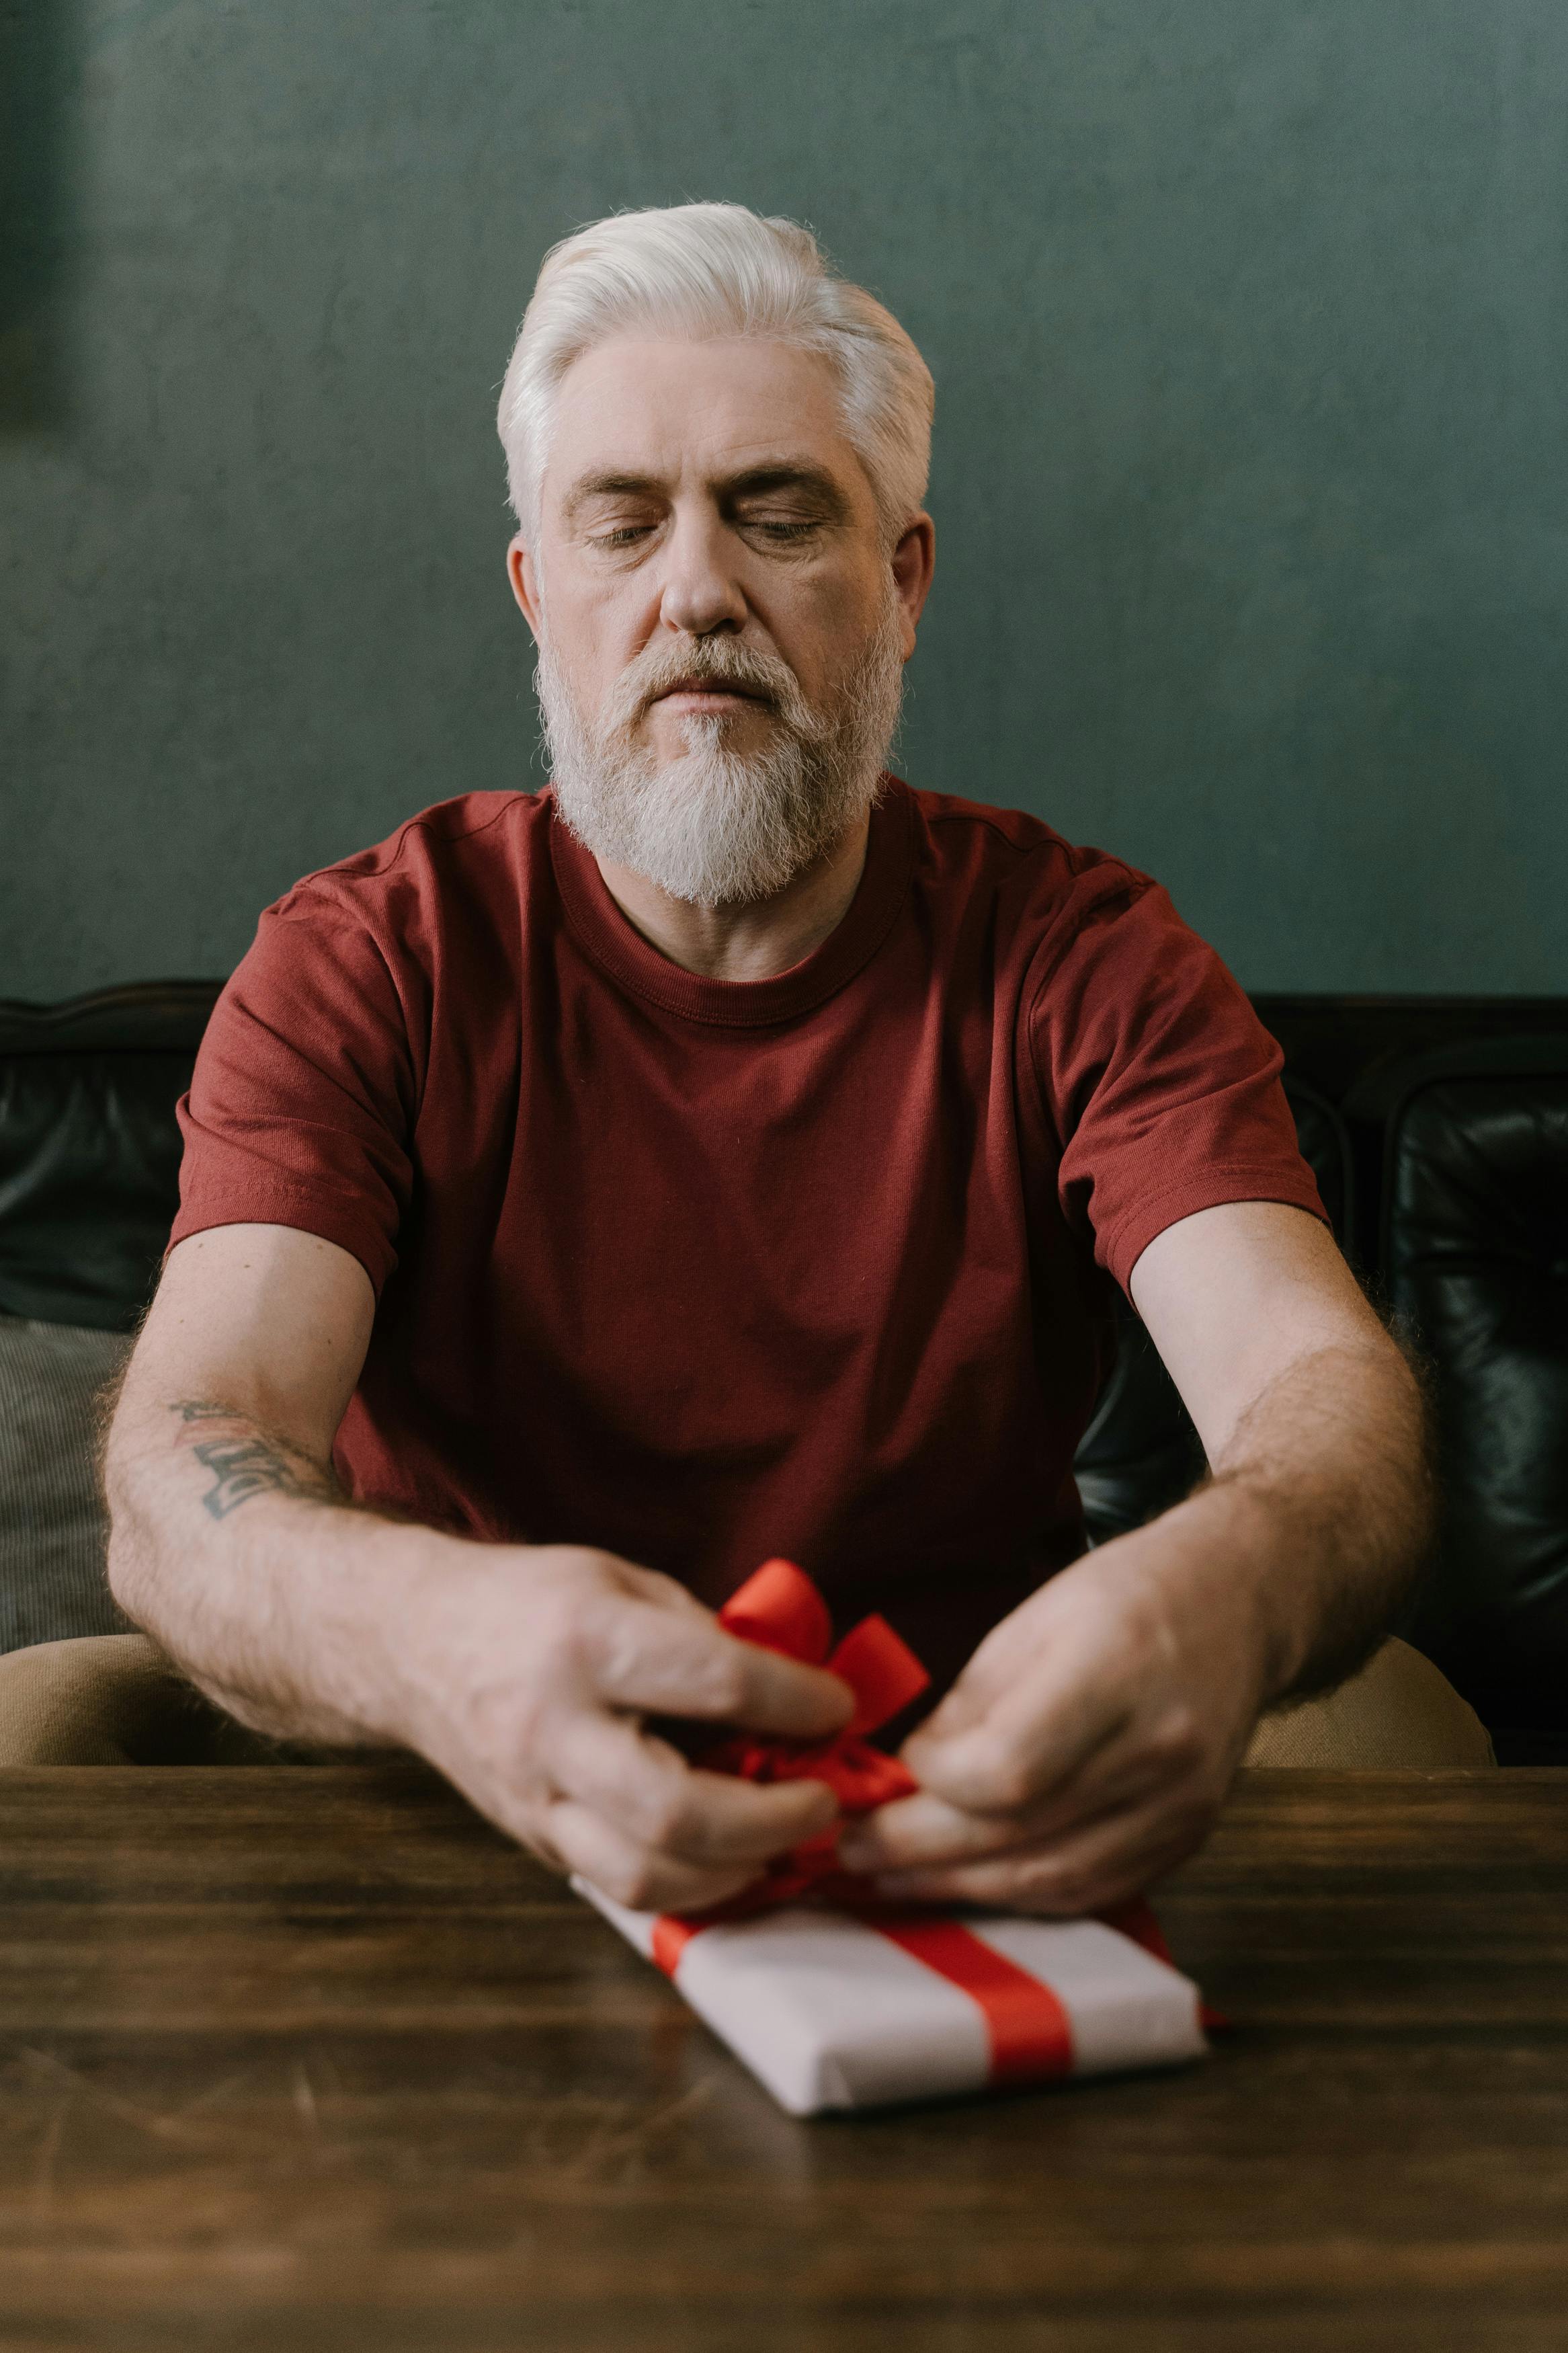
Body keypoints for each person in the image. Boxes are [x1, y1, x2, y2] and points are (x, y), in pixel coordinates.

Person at [96, 203, 1485, 1921]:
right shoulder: (369, 954)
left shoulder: (1083, 952)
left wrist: (1223, 1582)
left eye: (774, 513)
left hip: (959, 1755)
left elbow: (1326, 1405)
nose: (696, 591)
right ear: (540, 594)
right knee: (38, 1720)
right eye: (622, 523)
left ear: (900, 580)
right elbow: (187, 1458)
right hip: (444, 1736)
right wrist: (434, 1638)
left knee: (1396, 1713)